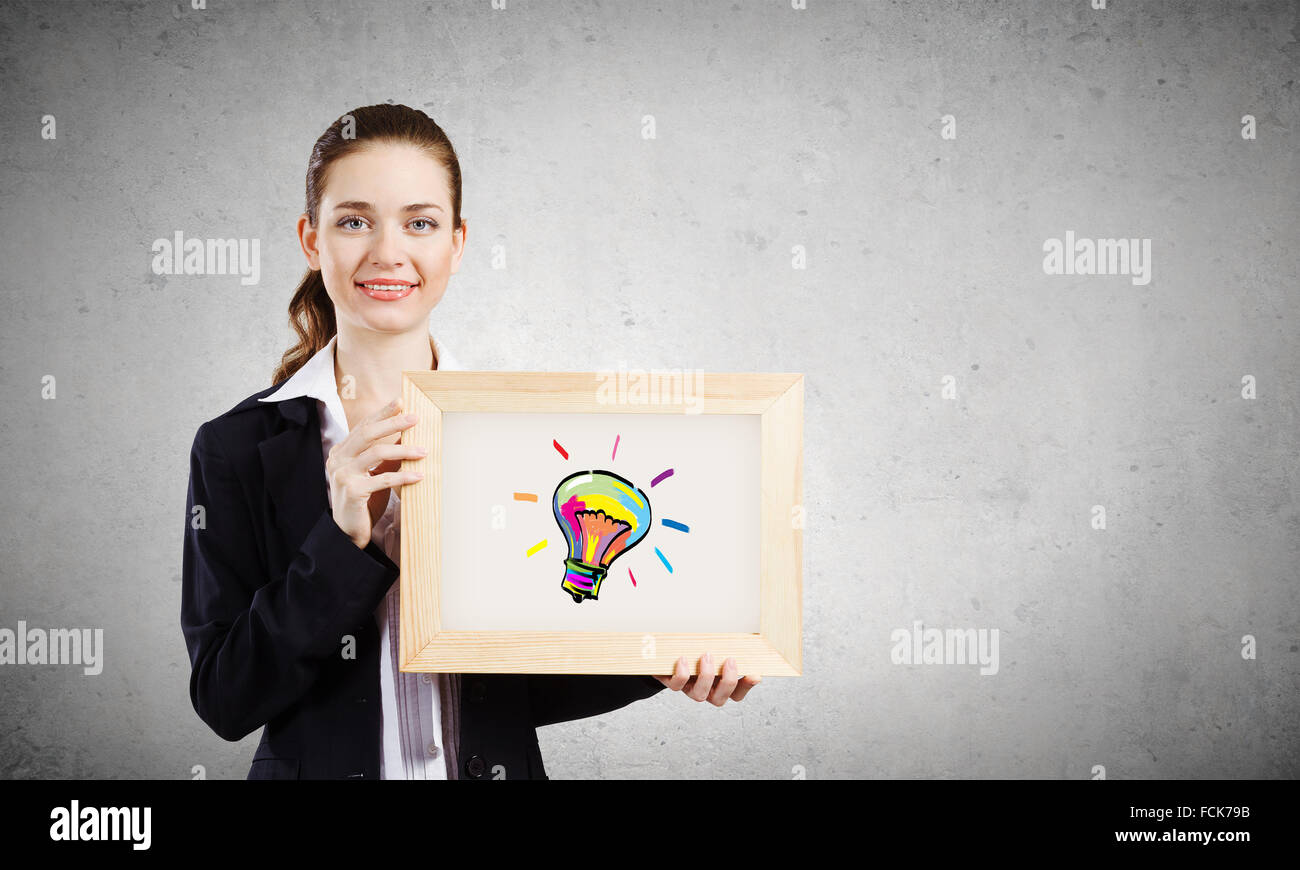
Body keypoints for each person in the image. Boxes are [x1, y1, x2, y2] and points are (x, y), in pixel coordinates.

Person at [180, 104, 760, 780]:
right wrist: (340, 545)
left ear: (456, 244)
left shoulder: (520, 440)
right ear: (312, 240)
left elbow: (518, 687)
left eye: (419, 223)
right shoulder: (236, 448)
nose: (387, 252)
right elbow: (225, 698)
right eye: (354, 221)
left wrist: (659, 663)